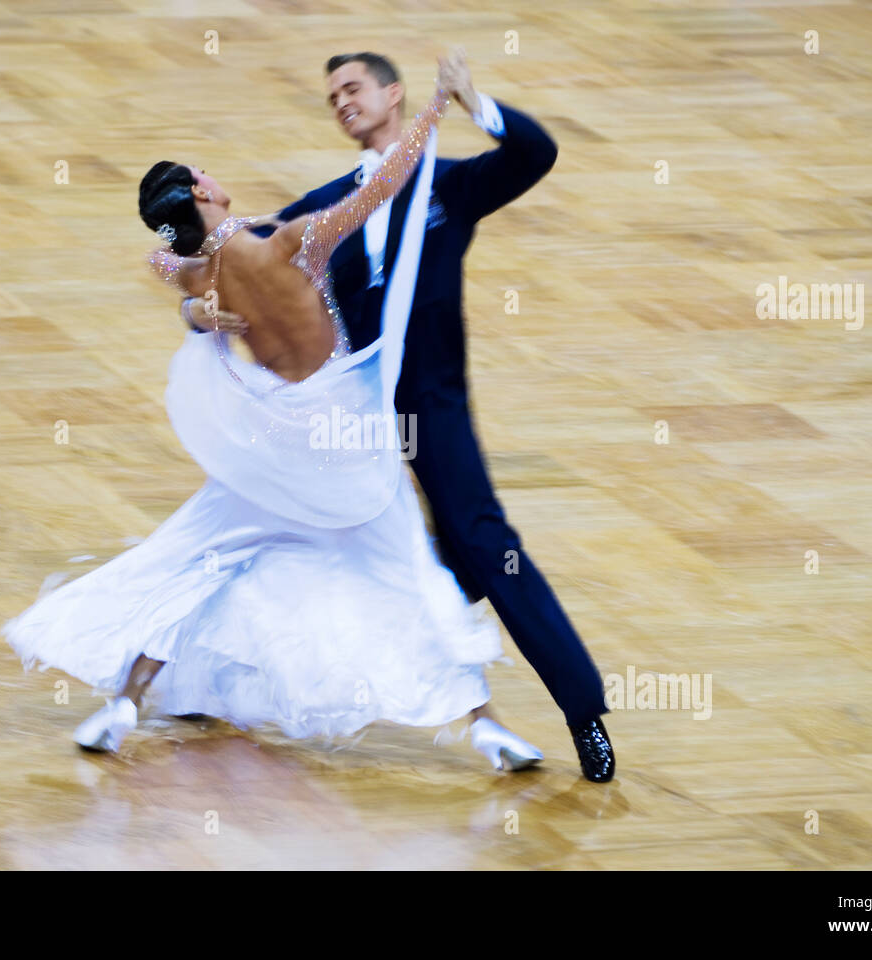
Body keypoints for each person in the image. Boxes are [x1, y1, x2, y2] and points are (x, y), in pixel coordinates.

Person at [1, 55, 546, 774]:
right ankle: (485, 729)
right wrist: (434, 111)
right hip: (346, 436)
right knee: (407, 573)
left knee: (199, 563)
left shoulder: (204, 270)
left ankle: (123, 706)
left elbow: (161, 262)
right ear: (204, 190)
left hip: (271, 442)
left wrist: (198, 310)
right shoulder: (294, 243)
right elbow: (382, 186)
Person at [178, 50, 615, 781]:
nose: (342, 101)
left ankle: (583, 714)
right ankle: (214, 669)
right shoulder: (322, 204)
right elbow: (224, 271)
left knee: (482, 542)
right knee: (289, 534)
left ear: (394, 95)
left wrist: (475, 102)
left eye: (354, 88)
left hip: (431, 404)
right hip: (351, 411)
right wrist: (194, 299)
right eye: (332, 96)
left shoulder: (449, 183)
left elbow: (536, 151)